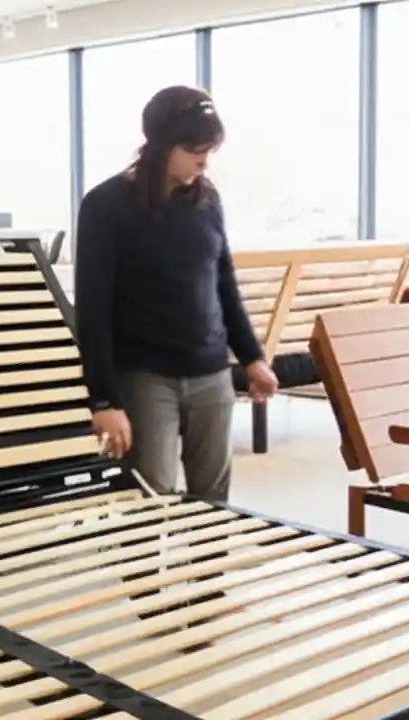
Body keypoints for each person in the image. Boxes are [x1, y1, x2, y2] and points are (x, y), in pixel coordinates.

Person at [74, 85, 278, 502]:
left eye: (210, 148)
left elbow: (223, 285)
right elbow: (92, 311)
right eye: (193, 148)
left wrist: (252, 358)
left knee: (213, 501)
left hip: (211, 375)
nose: (204, 159)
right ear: (160, 145)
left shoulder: (207, 201)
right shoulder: (105, 205)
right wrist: (104, 400)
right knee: (153, 498)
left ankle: (208, 571)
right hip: (146, 378)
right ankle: (150, 572)